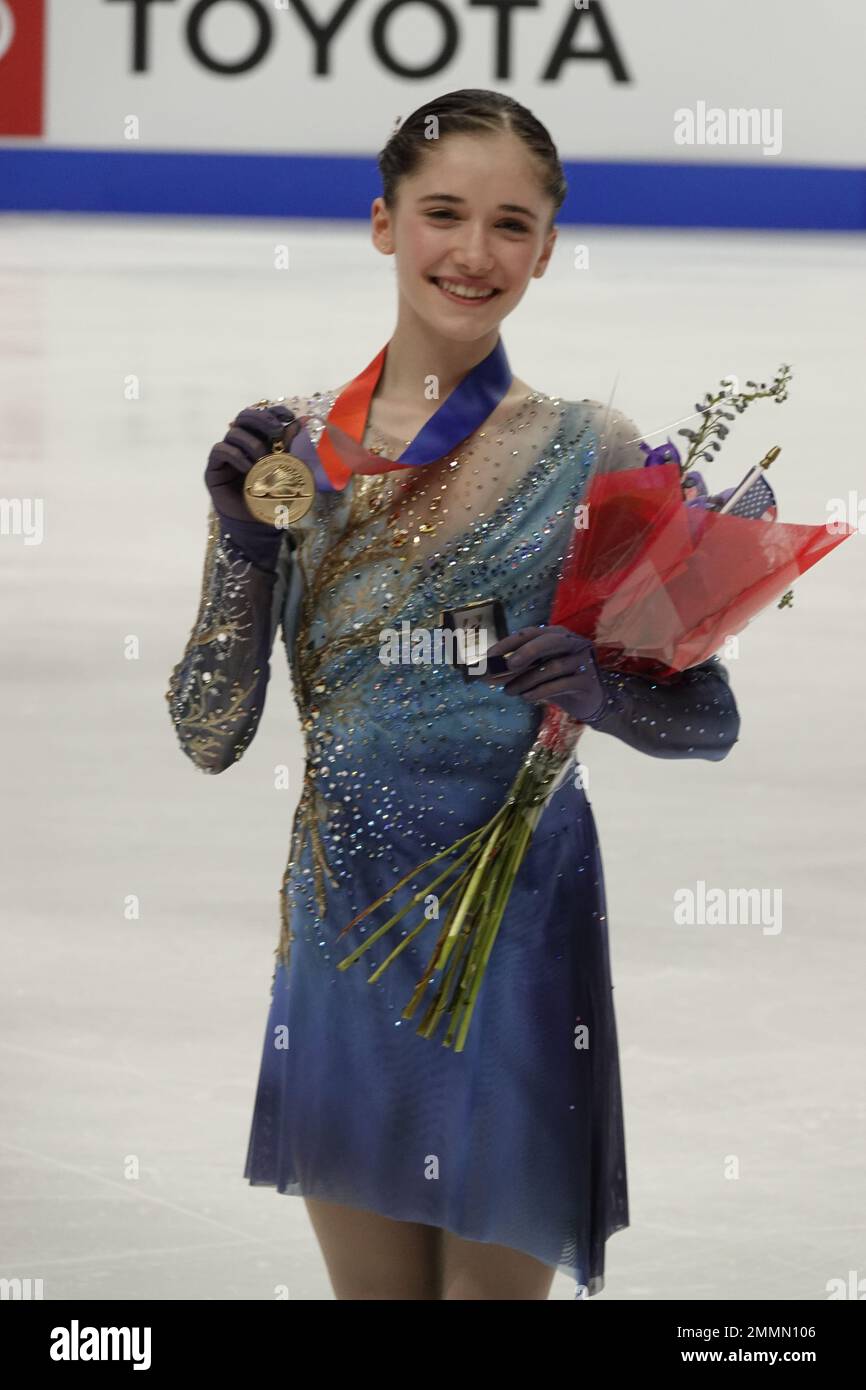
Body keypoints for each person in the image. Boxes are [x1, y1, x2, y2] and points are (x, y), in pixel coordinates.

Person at [165, 88, 740, 1301]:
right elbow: (210, 730)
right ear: (382, 224)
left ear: (545, 246)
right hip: (343, 917)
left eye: (510, 225)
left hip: (517, 923)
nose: (472, 255)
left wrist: (607, 690)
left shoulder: (593, 449)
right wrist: (247, 549)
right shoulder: (294, 455)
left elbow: (706, 716)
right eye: (441, 215)